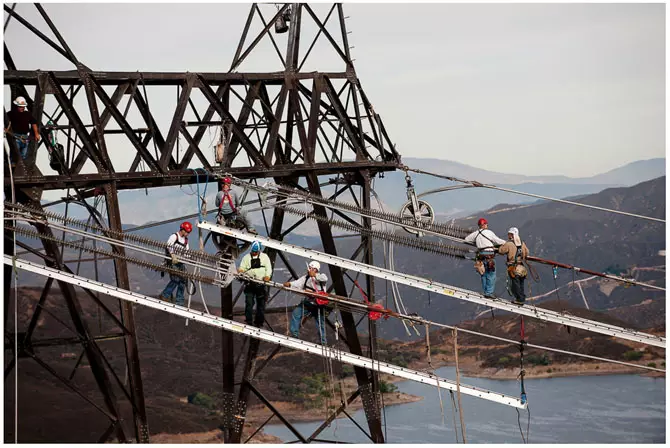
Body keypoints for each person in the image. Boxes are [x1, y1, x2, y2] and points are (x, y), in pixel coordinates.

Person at [283, 261, 329, 345]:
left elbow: (325, 278)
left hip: (319, 304)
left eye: (311, 269)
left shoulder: (321, 277)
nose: (309, 270)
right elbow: (297, 283)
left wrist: (315, 275)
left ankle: (323, 342)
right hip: (308, 303)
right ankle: (294, 334)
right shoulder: (305, 278)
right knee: (296, 313)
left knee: (320, 323)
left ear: (315, 269)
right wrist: (289, 284)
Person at [464, 218, 506, 298]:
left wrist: (477, 242)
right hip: (489, 256)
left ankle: (485, 291)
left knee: (483, 274)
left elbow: (466, 240)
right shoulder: (489, 232)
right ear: (485, 225)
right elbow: (498, 241)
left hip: (481, 257)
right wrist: (507, 243)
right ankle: (489, 293)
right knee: (491, 275)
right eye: (486, 224)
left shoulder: (476, 233)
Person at [237, 240, 273, 327]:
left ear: (259, 250)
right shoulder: (246, 258)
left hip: (260, 284)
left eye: (255, 252)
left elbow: (268, 268)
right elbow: (242, 267)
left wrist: (267, 276)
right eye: (253, 251)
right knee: (249, 302)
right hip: (250, 283)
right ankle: (248, 320)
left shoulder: (264, 257)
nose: (254, 253)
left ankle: (259, 322)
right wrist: (241, 271)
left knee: (261, 304)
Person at [159, 221, 192, 306]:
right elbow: (169, 245)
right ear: (183, 230)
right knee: (176, 279)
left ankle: (179, 301)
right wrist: (173, 255)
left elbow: (187, 252)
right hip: (171, 261)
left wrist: (188, 258)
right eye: (187, 232)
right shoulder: (174, 236)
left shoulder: (185, 241)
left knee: (183, 280)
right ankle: (165, 295)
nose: (188, 234)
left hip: (180, 262)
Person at [498, 227, 530, 305]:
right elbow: (527, 252)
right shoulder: (522, 243)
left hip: (513, 267)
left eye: (509, 234)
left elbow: (501, 251)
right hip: (521, 266)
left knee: (515, 284)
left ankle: (519, 299)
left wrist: (502, 245)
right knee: (521, 283)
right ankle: (522, 297)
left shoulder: (509, 244)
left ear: (512, 235)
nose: (508, 235)